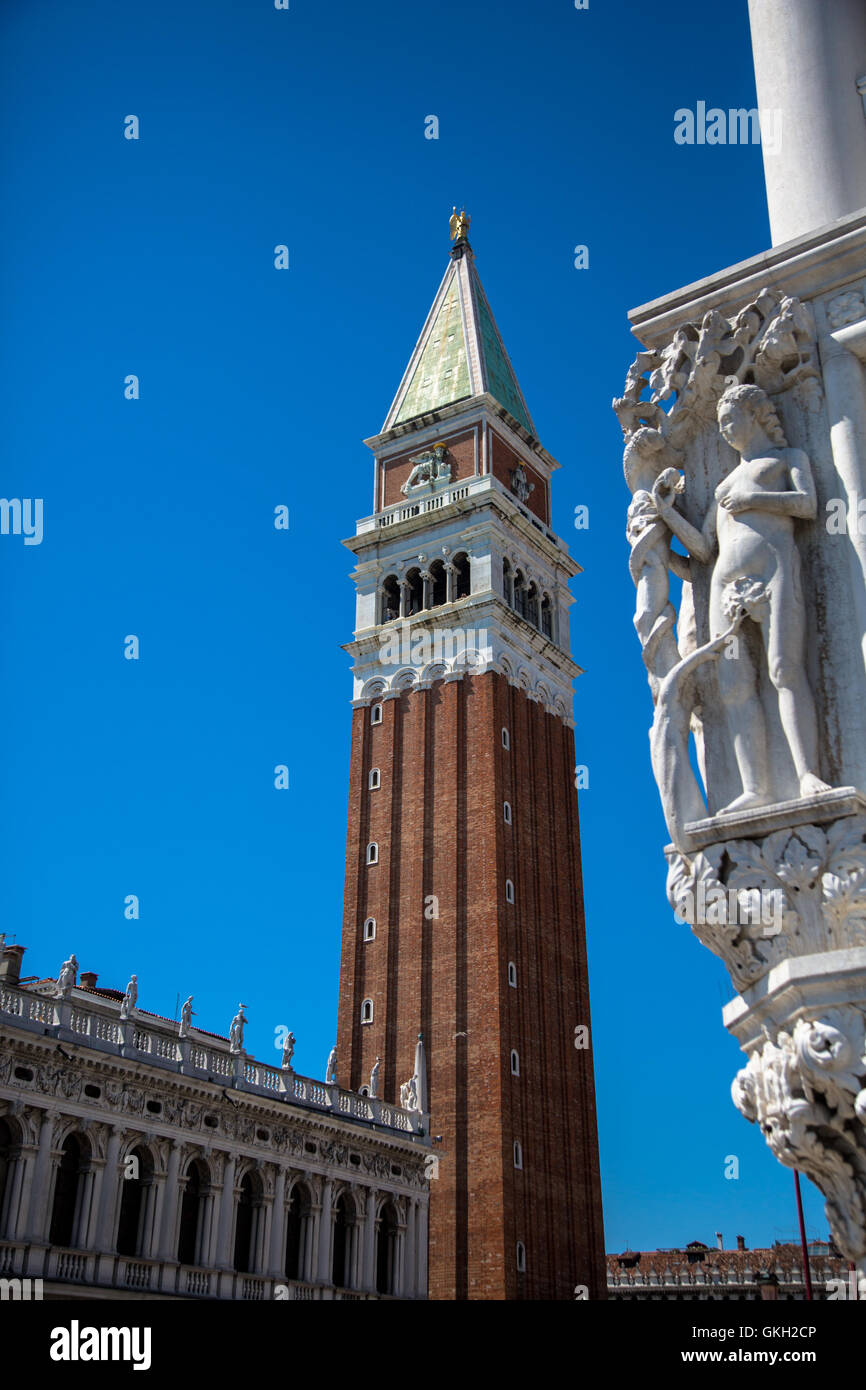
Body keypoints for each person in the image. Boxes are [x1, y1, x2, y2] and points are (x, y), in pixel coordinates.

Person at [653, 383, 830, 812]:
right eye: (721, 424)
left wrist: (753, 498)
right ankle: (755, 788)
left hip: (775, 569)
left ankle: (808, 776)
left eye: (731, 419)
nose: (726, 429)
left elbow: (807, 504)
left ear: (754, 414)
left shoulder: (788, 460)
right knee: (735, 687)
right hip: (723, 587)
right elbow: (703, 549)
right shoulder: (724, 485)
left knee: (785, 669)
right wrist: (666, 512)